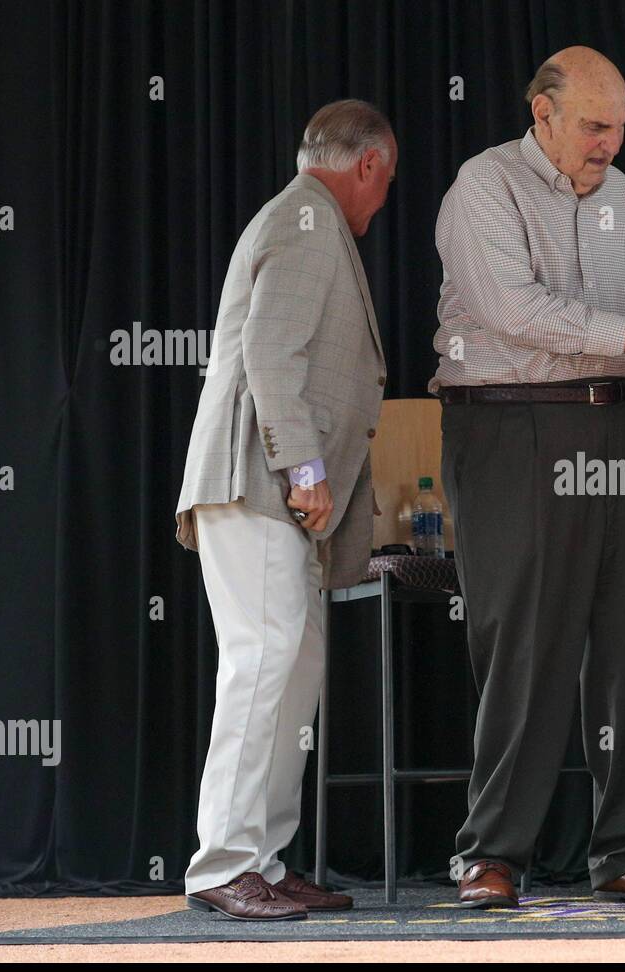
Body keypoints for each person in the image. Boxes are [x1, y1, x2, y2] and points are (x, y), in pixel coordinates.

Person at [430, 46, 625, 908]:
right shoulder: (484, 186)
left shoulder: (622, 196)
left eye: (620, 129)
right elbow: (515, 311)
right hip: (513, 423)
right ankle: (491, 854)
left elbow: (618, 308)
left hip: (618, 425)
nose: (610, 144)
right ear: (543, 114)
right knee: (528, 640)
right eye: (594, 126)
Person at [174, 99, 397, 920]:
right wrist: (304, 467)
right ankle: (222, 863)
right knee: (263, 666)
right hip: (261, 481)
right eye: (387, 180)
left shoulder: (309, 220)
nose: (383, 199)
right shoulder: (308, 216)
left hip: (276, 493)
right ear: (368, 163)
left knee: (289, 675)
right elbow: (272, 349)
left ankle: (260, 858)